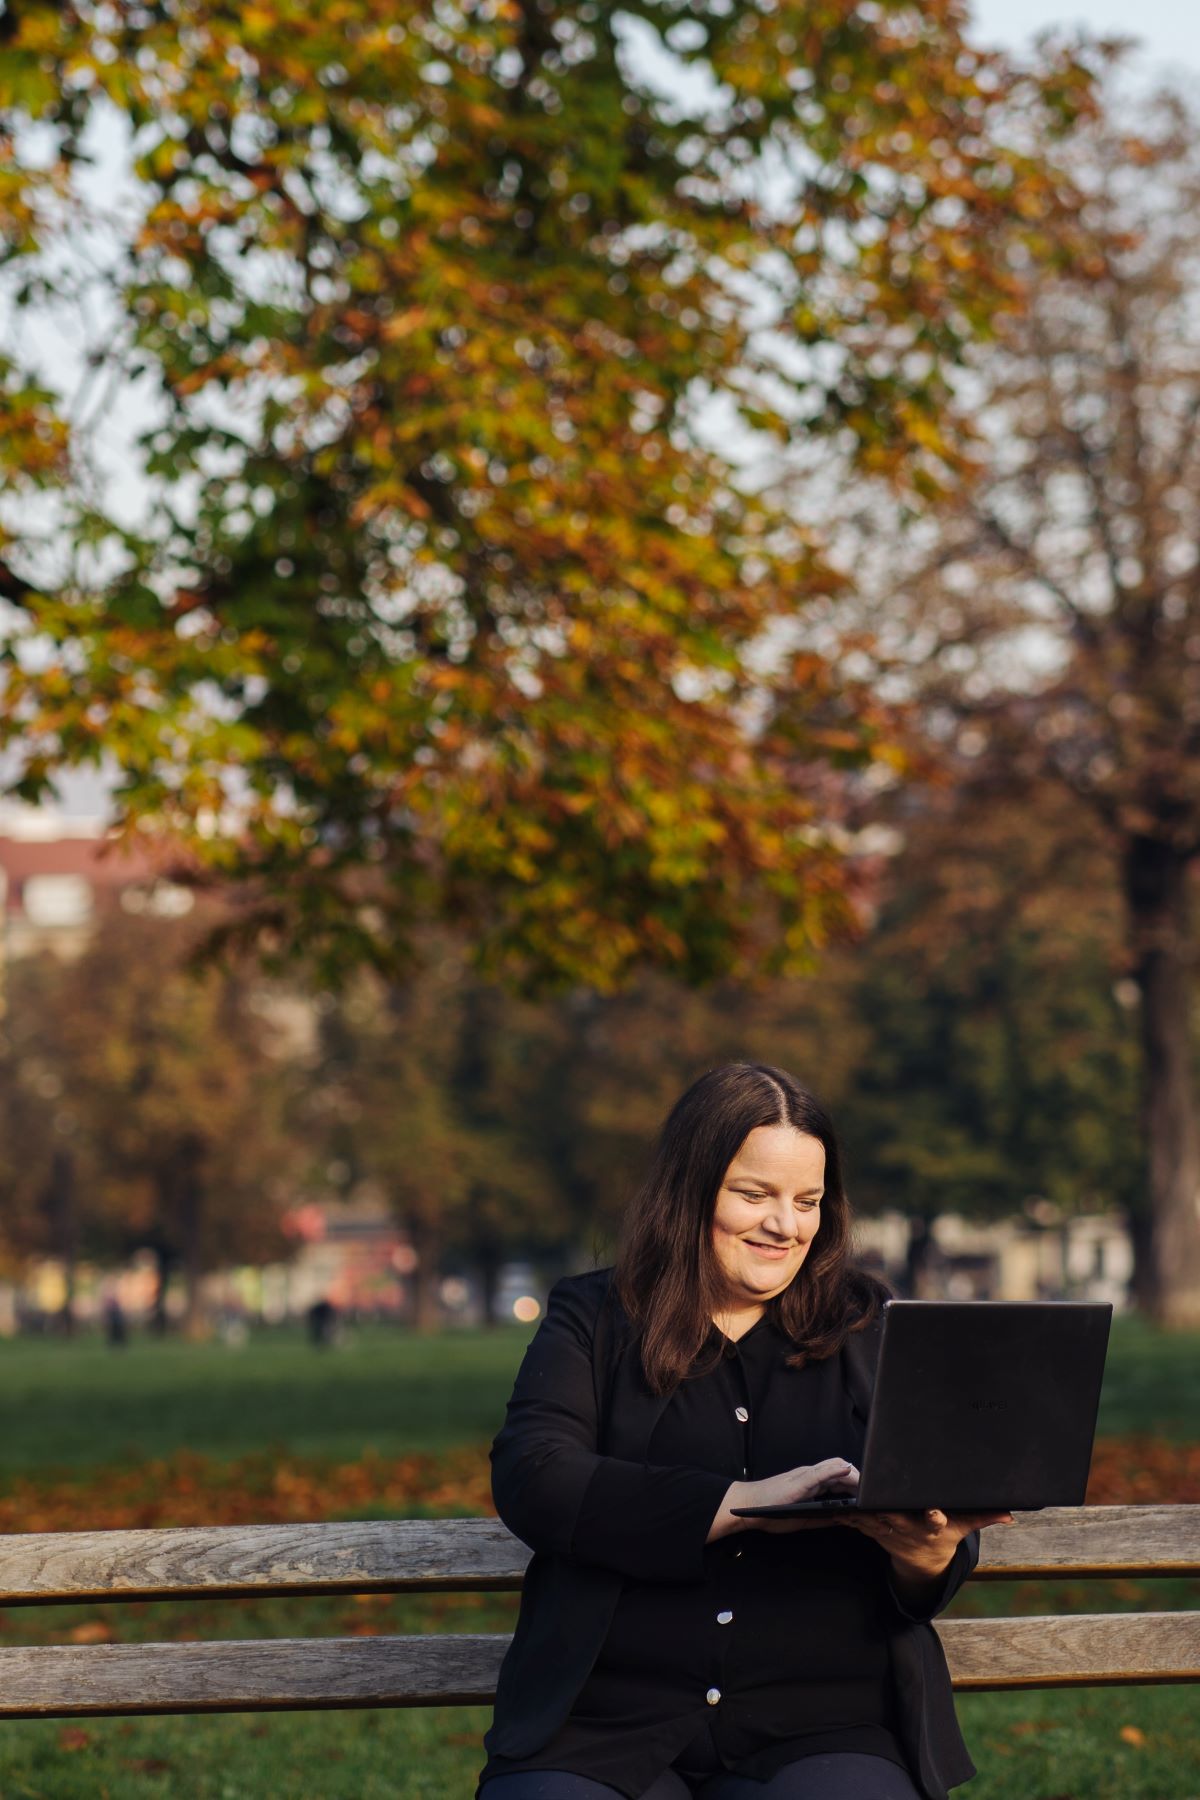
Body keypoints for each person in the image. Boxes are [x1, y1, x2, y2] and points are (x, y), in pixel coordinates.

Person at [477, 1063, 1013, 1800]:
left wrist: (926, 1552)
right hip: (606, 1726)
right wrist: (742, 1502)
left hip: (824, 1722)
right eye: (754, 1195)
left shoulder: (868, 1322)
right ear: (690, 1191)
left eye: (808, 1201)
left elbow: (931, 1516)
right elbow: (534, 1476)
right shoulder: (594, 1316)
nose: (784, 1226)